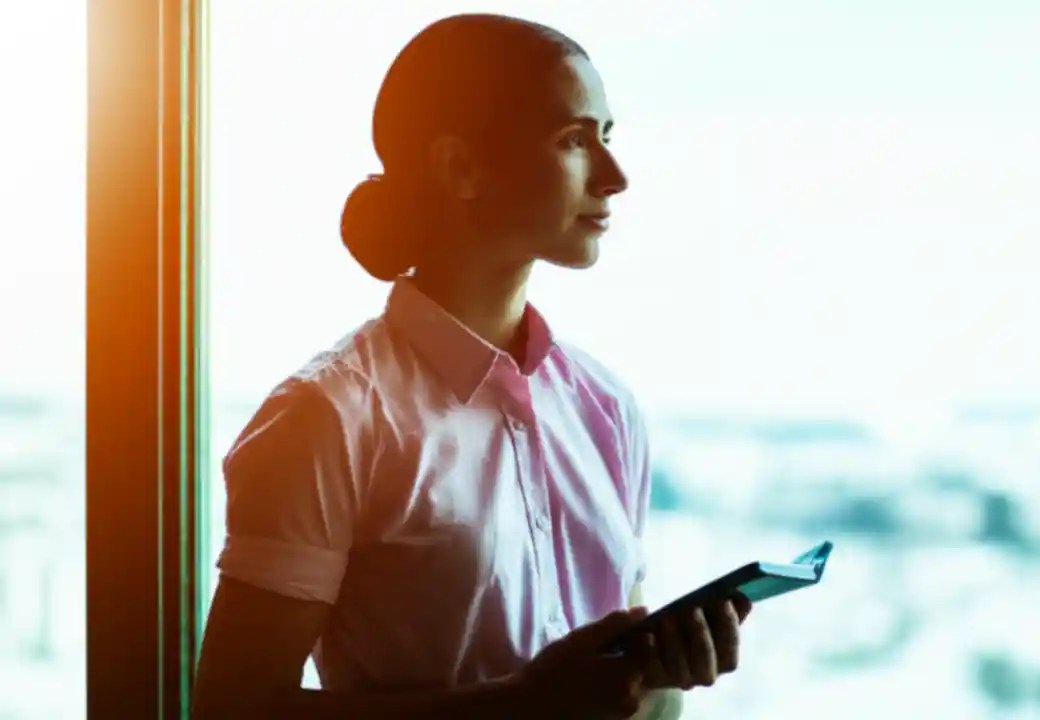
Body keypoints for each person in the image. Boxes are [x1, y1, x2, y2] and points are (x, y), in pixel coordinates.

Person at [193, 13, 752, 720]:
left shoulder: (605, 407)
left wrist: (663, 673)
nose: (615, 178)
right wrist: (519, 707)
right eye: (575, 140)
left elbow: (638, 701)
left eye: (607, 138)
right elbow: (231, 707)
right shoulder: (328, 417)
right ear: (461, 168)